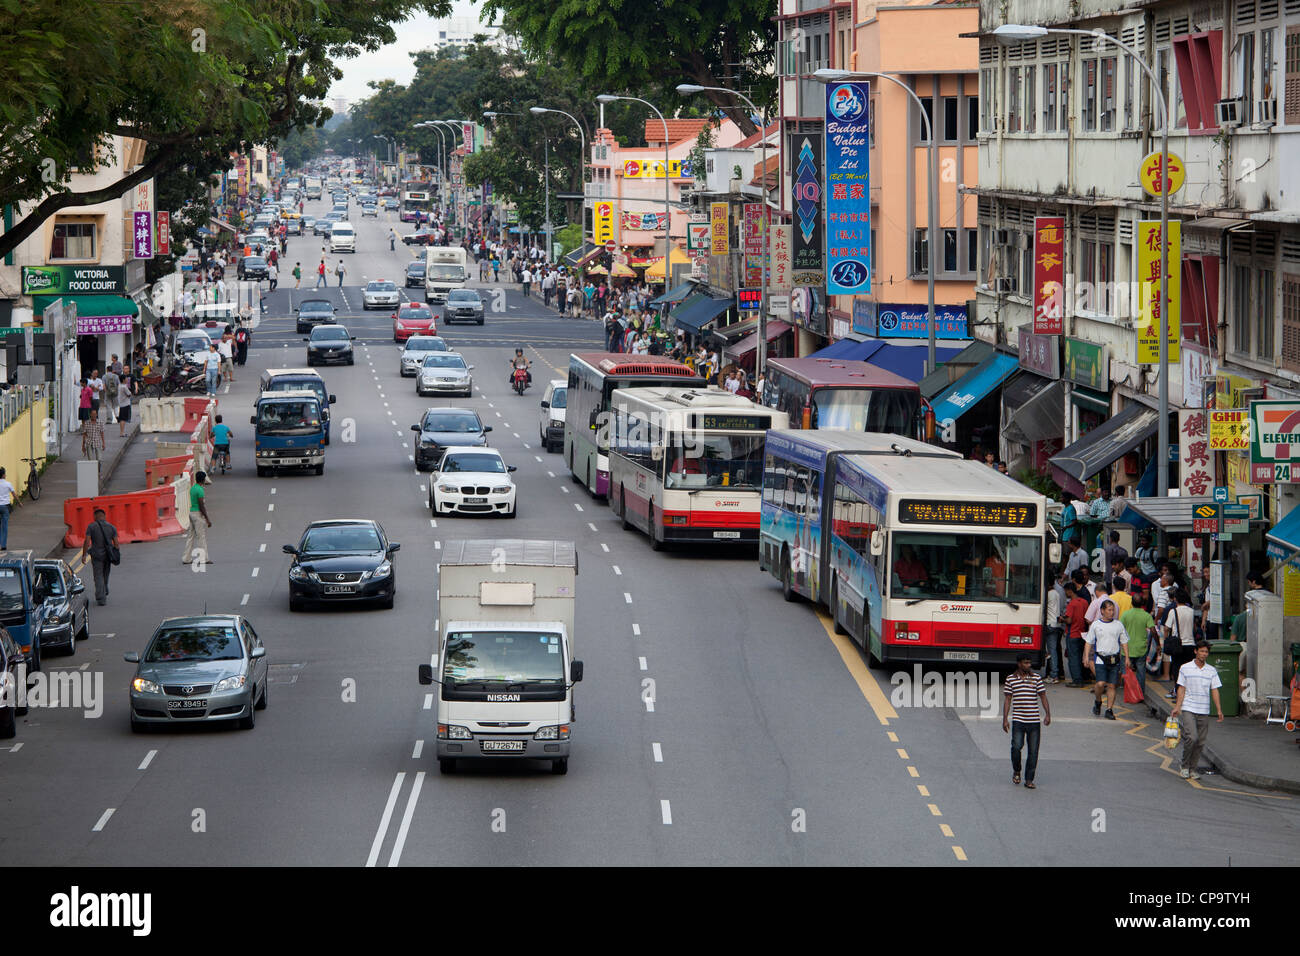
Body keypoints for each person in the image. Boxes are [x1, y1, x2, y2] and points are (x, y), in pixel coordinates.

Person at [1172, 640, 1224, 780]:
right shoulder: (1185, 668)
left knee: (1200, 741)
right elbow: (1181, 689)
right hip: (1188, 707)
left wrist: (1219, 710)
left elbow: (1215, 690)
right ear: (1195, 651)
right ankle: (1184, 766)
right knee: (1192, 737)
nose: (1204, 654)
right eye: (1201, 651)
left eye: (1206, 652)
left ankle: (1193, 769)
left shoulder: (1211, 670)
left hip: (1204, 709)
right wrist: (1178, 706)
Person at [1002, 653, 1050, 788]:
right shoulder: (1011, 679)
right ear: (1019, 664)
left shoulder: (1036, 678)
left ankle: (1029, 779)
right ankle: (1017, 770)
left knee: (1033, 751)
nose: (1028, 665)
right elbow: (1007, 699)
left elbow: (1043, 696)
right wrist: (1005, 719)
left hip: (1034, 721)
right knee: (1016, 747)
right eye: (1025, 663)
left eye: (1029, 663)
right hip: (1018, 720)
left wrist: (1047, 714)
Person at [1083, 599, 1128, 720]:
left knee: (1112, 686)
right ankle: (1098, 701)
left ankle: (1109, 710)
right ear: (1102, 611)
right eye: (1109, 610)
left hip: (1114, 658)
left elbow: (1124, 642)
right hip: (1100, 658)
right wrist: (1086, 657)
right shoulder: (1096, 625)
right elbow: (1089, 642)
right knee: (1100, 683)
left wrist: (1126, 658)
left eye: (1113, 610)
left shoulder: (1119, 625)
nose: (1111, 612)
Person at [79, 507, 119, 606]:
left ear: (95, 516)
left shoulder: (91, 527)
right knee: (106, 574)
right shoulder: (112, 527)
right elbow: (116, 543)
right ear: (104, 516)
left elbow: (87, 541)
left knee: (98, 576)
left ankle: (101, 598)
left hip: (96, 555)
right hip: (108, 555)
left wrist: (84, 555)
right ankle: (104, 588)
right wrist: (115, 553)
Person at [1120, 592, 1156, 697]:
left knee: (1127, 671)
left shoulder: (1125, 614)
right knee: (1141, 672)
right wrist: (1157, 643)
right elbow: (1153, 631)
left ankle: (1129, 692)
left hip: (1127, 649)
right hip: (1141, 649)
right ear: (1143, 604)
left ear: (1131, 603)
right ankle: (1140, 693)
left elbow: (1120, 629)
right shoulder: (1146, 616)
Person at [1161, 589, 1196, 695]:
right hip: (1191, 644)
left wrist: (1167, 640)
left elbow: (1166, 628)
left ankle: (1177, 691)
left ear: (1175, 599)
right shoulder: (1191, 611)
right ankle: (1187, 691)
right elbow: (1193, 628)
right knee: (1189, 669)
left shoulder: (1173, 611)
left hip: (1178, 645)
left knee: (1177, 669)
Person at [182, 470, 213, 566]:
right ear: (203, 480)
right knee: (201, 537)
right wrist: (207, 519)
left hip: (191, 513)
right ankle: (203, 559)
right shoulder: (200, 490)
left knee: (190, 537)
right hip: (197, 514)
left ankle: (186, 558)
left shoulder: (193, 488)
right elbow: (201, 506)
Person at [1063, 581, 1089, 687]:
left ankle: (1077, 680)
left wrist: (1062, 619)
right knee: (1080, 657)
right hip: (1082, 633)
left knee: (1073, 658)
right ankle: (1083, 677)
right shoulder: (1084, 602)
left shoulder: (1071, 604)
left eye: (1065, 591)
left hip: (1072, 633)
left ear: (1069, 591)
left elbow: (1069, 620)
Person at [0, 467, 17, 549]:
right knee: (4, 526)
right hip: (5, 507)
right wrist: (19, 503)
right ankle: (3, 545)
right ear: (3, 475)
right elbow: (14, 494)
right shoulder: (8, 484)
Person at [116, 372, 133, 437]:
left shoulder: (119, 386)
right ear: (123, 380)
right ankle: (122, 432)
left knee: (122, 418)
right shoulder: (124, 387)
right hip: (125, 404)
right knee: (123, 419)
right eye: (126, 379)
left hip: (121, 404)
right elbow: (129, 394)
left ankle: (122, 432)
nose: (127, 380)